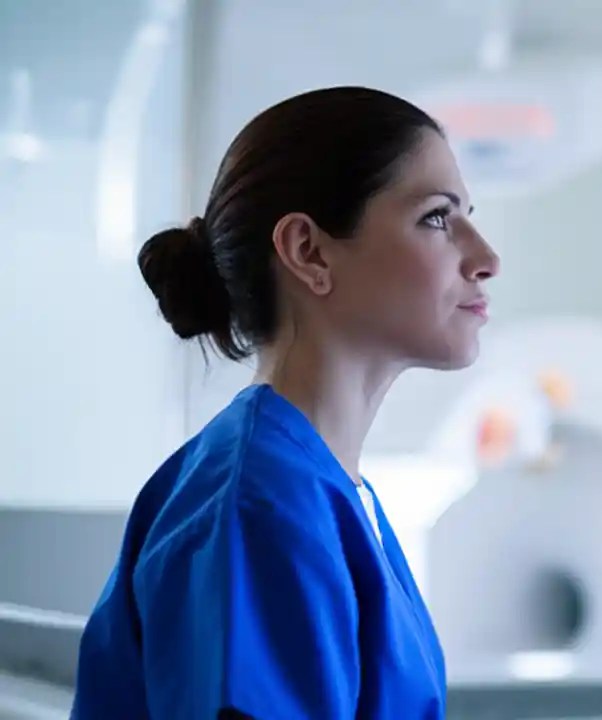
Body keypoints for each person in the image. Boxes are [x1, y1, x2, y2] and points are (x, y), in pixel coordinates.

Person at [70, 86, 498, 719]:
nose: (486, 258)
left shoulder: (330, 493)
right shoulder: (256, 503)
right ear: (309, 251)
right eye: (436, 217)